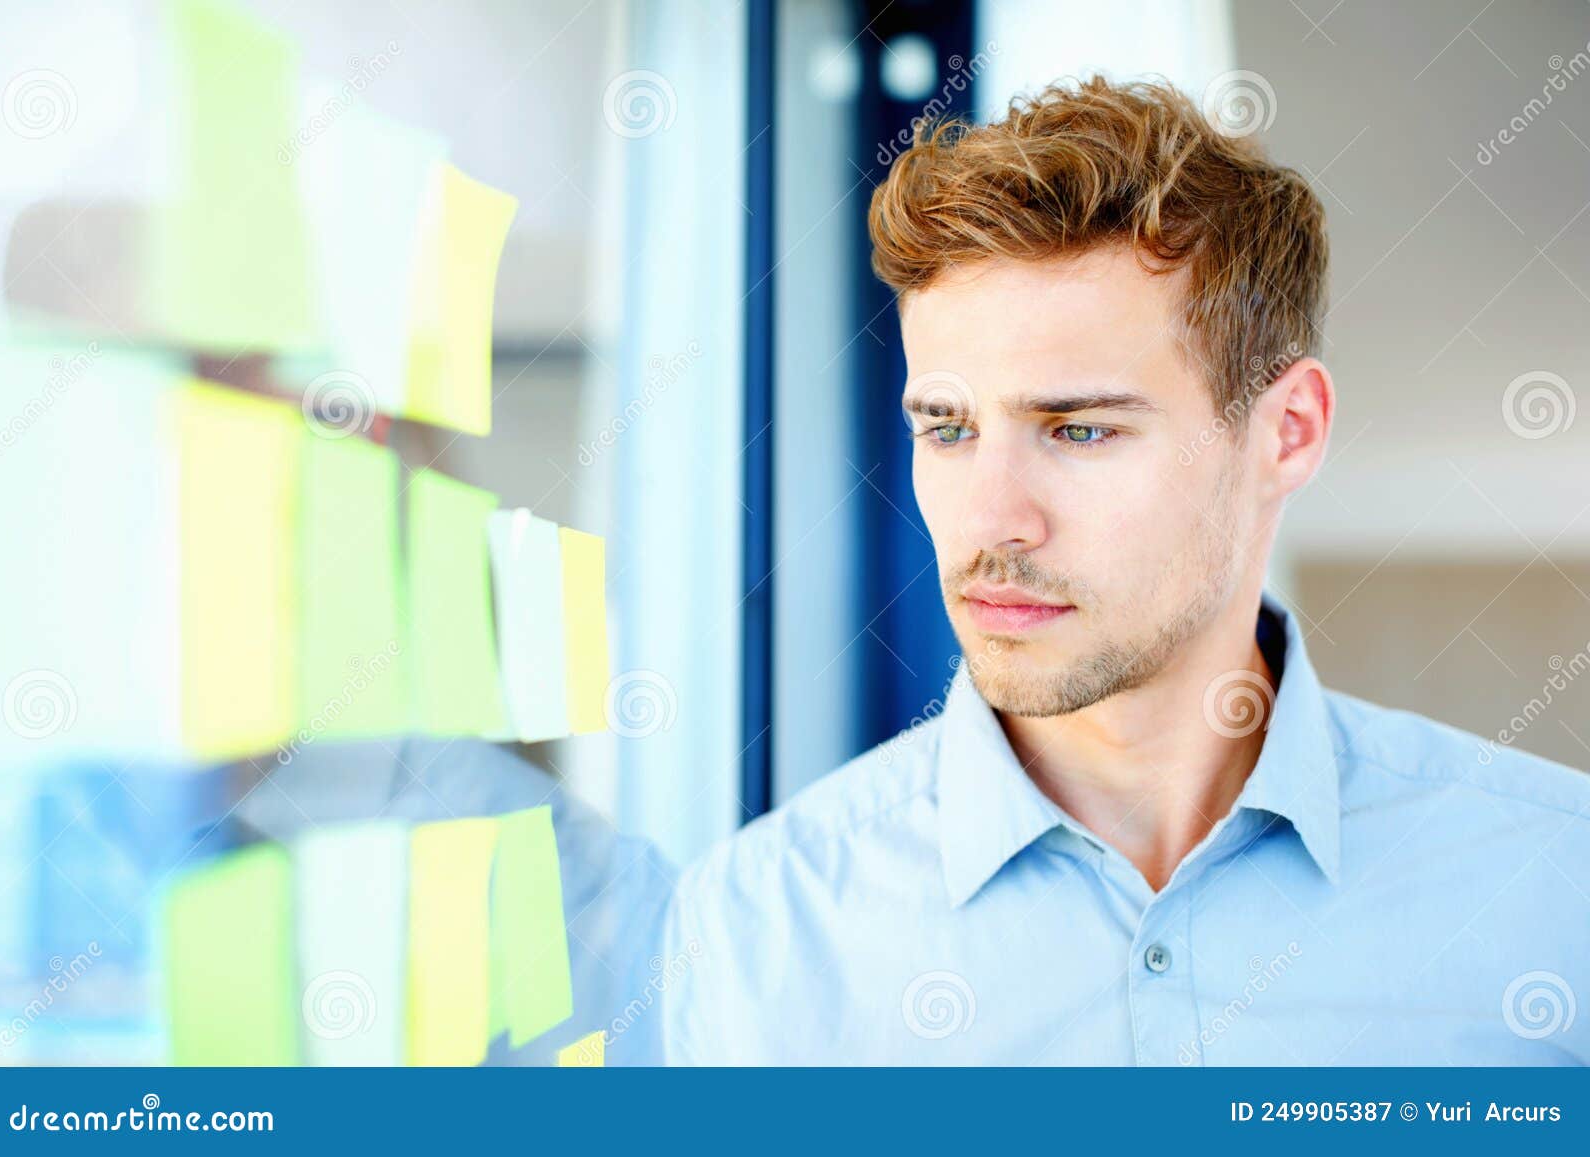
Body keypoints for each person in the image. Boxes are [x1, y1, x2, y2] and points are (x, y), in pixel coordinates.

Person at [655, 76, 1590, 1065]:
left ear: (1286, 432)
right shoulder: (761, 930)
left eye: (1080, 429)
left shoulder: (1553, 887)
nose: (991, 519)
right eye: (948, 427)